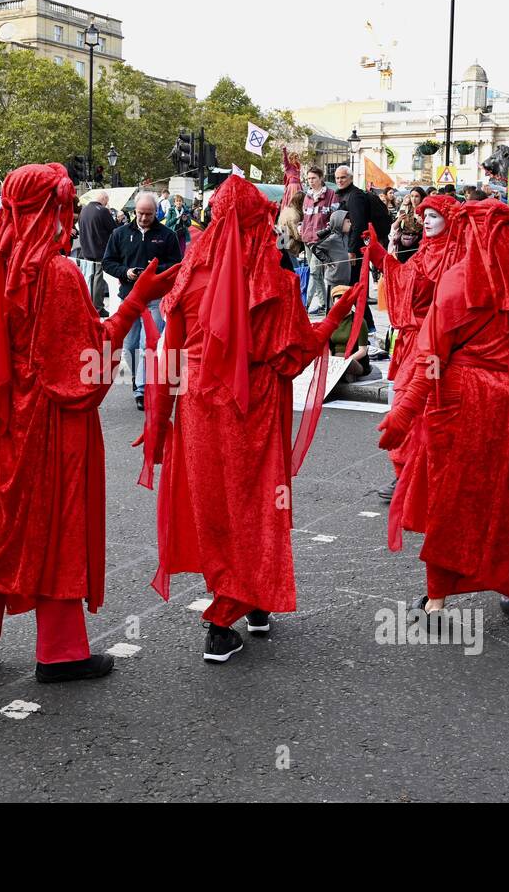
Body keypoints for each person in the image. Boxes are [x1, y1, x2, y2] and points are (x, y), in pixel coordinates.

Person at [0, 163, 179, 681]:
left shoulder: (1, 261)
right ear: (51, 209)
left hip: (3, 416)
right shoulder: (56, 271)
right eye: (63, 206)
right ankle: (60, 651)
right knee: (57, 523)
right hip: (48, 419)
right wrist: (136, 301)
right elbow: (88, 359)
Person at [139, 176, 364, 661]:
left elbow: (166, 353)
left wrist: (158, 420)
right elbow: (295, 356)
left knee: (216, 507)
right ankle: (226, 616)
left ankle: (253, 601)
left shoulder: (190, 276)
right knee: (257, 504)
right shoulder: (272, 280)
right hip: (253, 406)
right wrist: (336, 316)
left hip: (199, 403)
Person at [378, 199, 509, 631]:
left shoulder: (457, 282)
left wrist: (402, 413)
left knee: (451, 500)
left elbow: (429, 358)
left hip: (459, 399)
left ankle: (437, 602)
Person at [365, 194, 460, 502]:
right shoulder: (425, 251)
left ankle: (408, 472)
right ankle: (411, 473)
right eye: (425, 215)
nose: (427, 221)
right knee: (411, 406)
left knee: (412, 405)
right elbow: (404, 280)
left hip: (430, 342)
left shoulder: (454, 255)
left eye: (434, 215)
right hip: (412, 341)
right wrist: (378, 253)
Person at [102, 191, 183, 410]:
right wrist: (126, 272)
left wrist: (154, 269)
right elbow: (107, 262)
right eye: (140, 213)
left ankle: (142, 388)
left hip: (155, 299)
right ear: (134, 211)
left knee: (149, 344)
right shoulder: (119, 233)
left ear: (155, 212)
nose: (144, 218)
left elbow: (177, 264)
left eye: (148, 214)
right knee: (129, 344)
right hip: (129, 297)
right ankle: (139, 380)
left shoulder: (167, 235)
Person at [300, 166, 337, 313]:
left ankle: (306, 304)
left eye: (313, 178)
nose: (311, 181)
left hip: (321, 240)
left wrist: (325, 235)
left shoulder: (331, 194)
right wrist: (301, 231)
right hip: (307, 239)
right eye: (309, 178)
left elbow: (333, 218)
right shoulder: (307, 196)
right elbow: (305, 218)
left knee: (314, 272)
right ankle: (324, 304)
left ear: (321, 178)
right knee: (316, 274)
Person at [78, 189, 117, 318]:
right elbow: (114, 229)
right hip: (100, 250)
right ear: (104, 199)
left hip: (86, 249)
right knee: (98, 280)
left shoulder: (84, 210)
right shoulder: (103, 211)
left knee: (89, 278)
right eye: (107, 202)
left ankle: (89, 306)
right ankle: (98, 308)